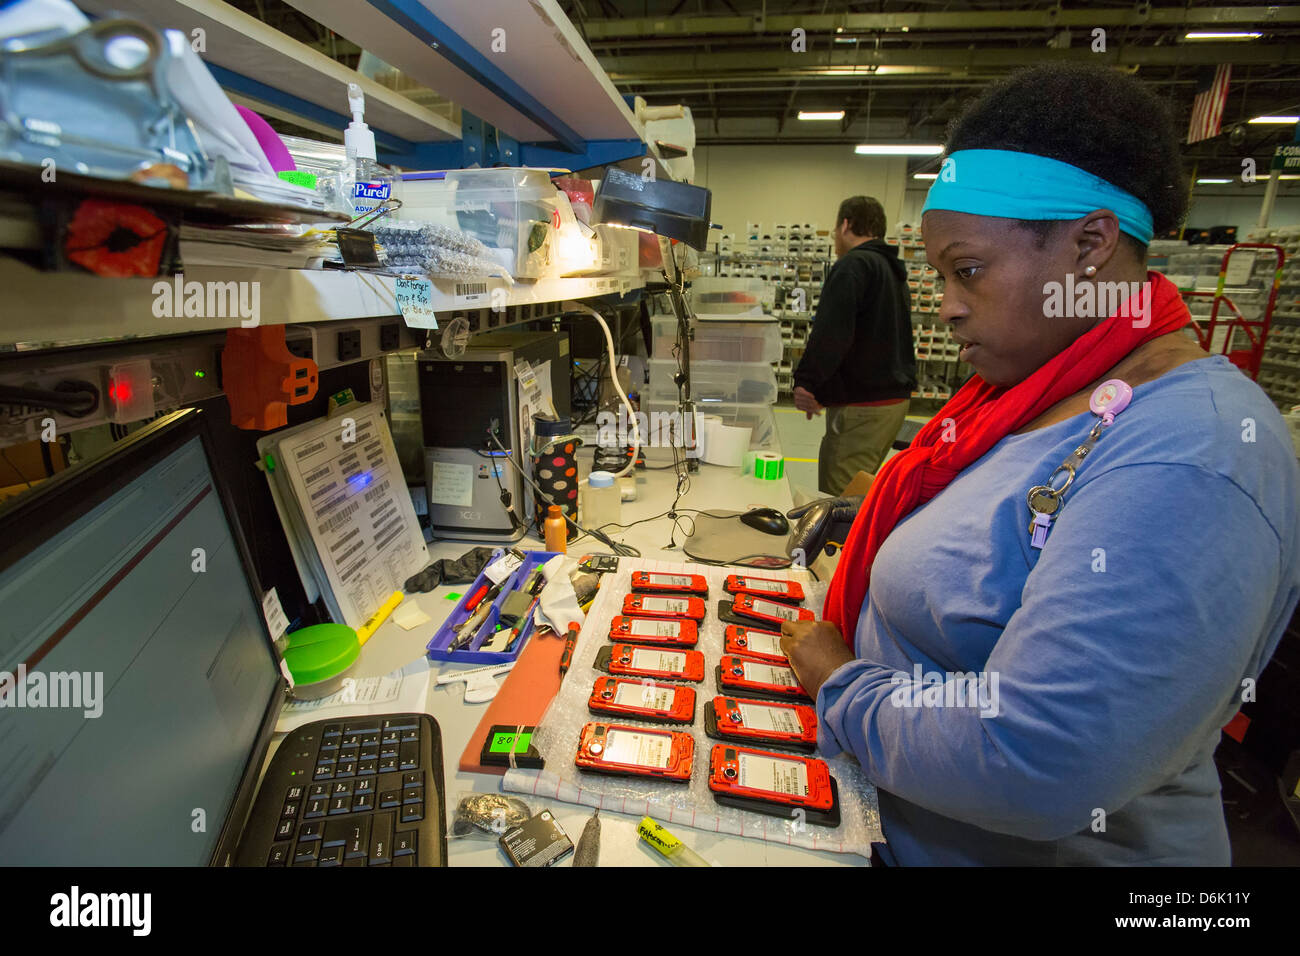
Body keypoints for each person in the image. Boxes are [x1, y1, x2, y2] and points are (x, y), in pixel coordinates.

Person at [781, 63, 1300, 865]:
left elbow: (1036, 760)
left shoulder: (1193, 454)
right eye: (941, 275)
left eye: (970, 270)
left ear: (1090, 245)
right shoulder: (1026, 398)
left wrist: (841, 683)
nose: (949, 304)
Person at [792, 196, 917, 495]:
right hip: (890, 401)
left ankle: (843, 545)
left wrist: (807, 383)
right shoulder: (890, 268)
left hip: (863, 406)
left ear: (846, 224)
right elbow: (866, 337)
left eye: (836, 228)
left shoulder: (854, 265)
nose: (835, 236)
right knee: (858, 489)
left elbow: (833, 332)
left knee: (840, 499)